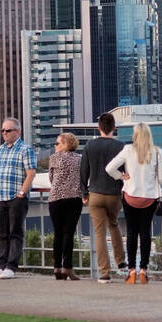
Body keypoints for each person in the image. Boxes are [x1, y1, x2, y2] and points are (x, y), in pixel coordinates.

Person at [107, 121, 162, 284]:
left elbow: (109, 168)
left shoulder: (127, 150)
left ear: (135, 136)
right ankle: (143, 270)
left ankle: (131, 270)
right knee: (145, 233)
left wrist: (121, 176)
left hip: (130, 196)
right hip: (149, 198)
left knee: (132, 233)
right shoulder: (157, 152)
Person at [80, 112, 128, 283]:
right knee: (114, 225)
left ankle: (104, 273)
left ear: (99, 127)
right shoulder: (121, 146)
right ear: (114, 128)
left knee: (99, 233)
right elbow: (125, 173)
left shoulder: (90, 146)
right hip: (114, 194)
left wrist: (84, 193)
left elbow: (83, 171)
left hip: (95, 194)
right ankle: (121, 262)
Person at [0, 118, 36, 280]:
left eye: (8, 131)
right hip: (0, 196)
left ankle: (11, 266)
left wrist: (22, 192)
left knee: (15, 232)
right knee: (1, 233)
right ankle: (0, 264)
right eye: (2, 130)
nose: (4, 134)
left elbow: (31, 173)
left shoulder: (25, 149)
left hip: (16, 197)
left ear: (18, 132)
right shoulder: (0, 150)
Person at [48, 132, 86, 280]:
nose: (55, 146)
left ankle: (56, 267)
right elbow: (84, 177)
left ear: (66, 144)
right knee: (68, 234)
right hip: (74, 199)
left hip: (56, 199)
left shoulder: (53, 158)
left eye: (57, 143)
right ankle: (67, 267)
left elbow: (51, 179)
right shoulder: (80, 159)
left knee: (58, 233)